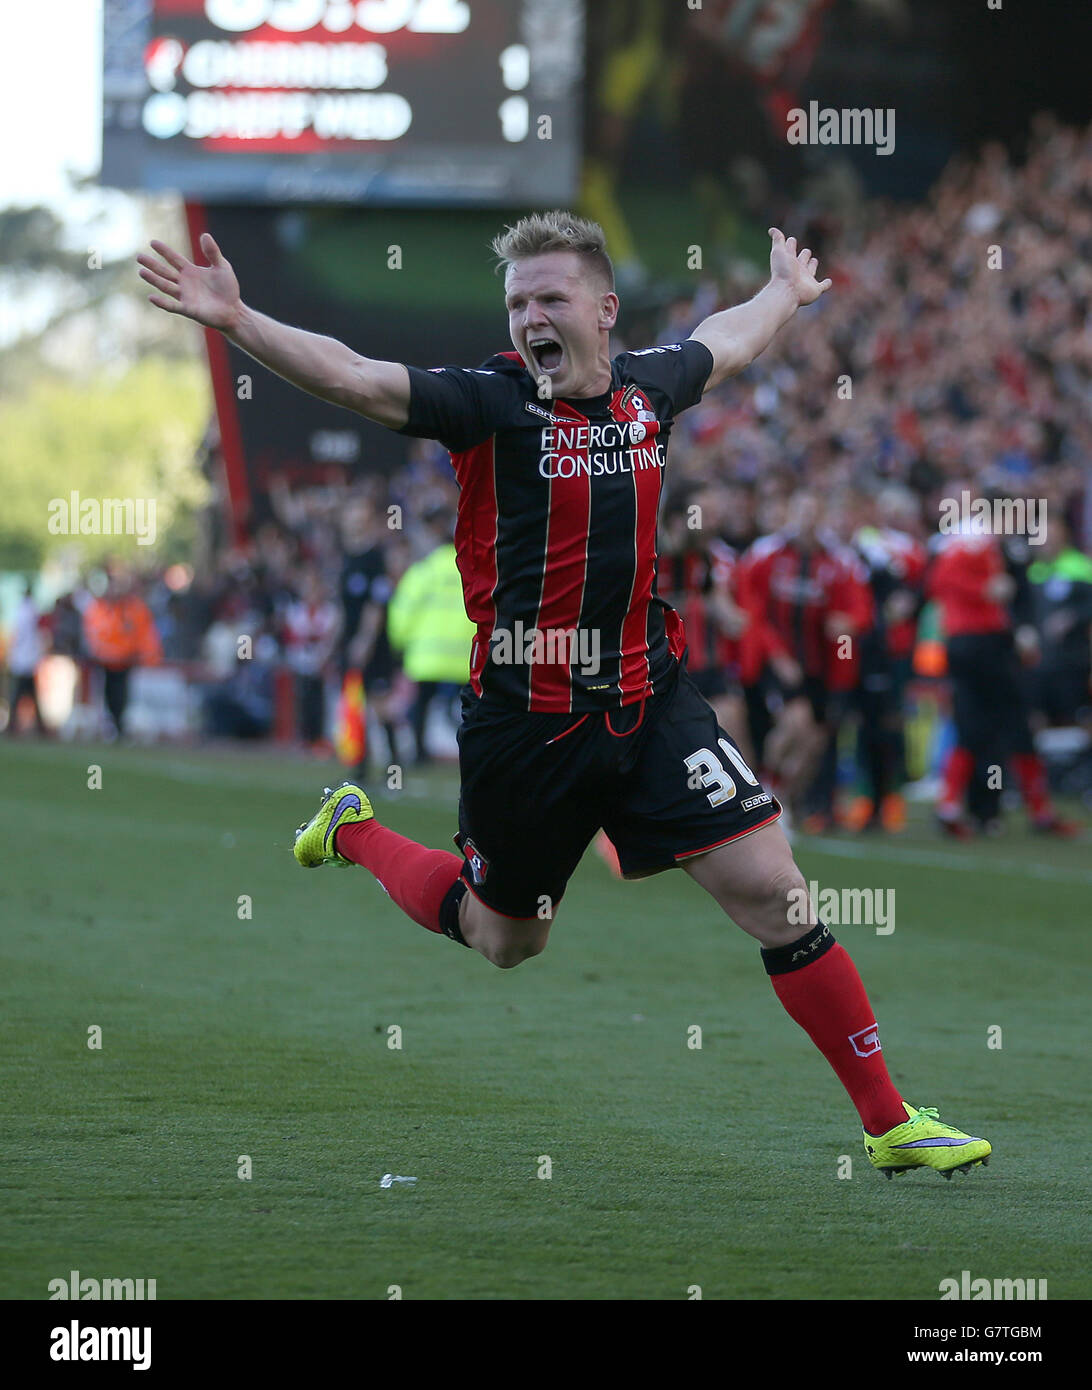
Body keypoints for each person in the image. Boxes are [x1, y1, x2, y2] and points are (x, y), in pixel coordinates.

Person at [140, 212, 991, 1178]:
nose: (530, 316)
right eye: (517, 303)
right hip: (530, 726)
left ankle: (888, 1123)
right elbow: (356, 375)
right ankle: (353, 830)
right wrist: (240, 320)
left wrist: (785, 296)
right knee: (504, 939)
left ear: (602, 309)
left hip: (648, 699)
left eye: (549, 298)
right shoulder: (488, 403)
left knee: (778, 894)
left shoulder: (647, 391)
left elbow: (726, 343)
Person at [82, 568, 162, 737]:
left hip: (127, 662)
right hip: (104, 663)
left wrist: (145, 656)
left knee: (122, 697)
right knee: (107, 696)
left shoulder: (134, 609)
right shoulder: (98, 609)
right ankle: (109, 727)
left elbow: (144, 636)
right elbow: (94, 636)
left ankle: (120, 727)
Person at [5, 583, 47, 735]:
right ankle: (39, 726)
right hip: (27, 658)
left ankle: (15, 725)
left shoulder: (24, 610)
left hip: (24, 658)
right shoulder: (32, 610)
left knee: (19, 694)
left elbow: (18, 635)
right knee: (27, 694)